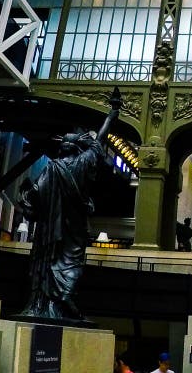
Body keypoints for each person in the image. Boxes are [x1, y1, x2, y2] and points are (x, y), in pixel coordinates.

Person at [18, 99, 119, 321]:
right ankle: (63, 299)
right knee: (73, 266)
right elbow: (99, 141)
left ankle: (56, 302)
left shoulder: (52, 168)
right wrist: (111, 117)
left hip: (53, 231)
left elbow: (36, 193)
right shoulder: (83, 163)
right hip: (73, 232)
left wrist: (27, 197)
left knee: (58, 263)